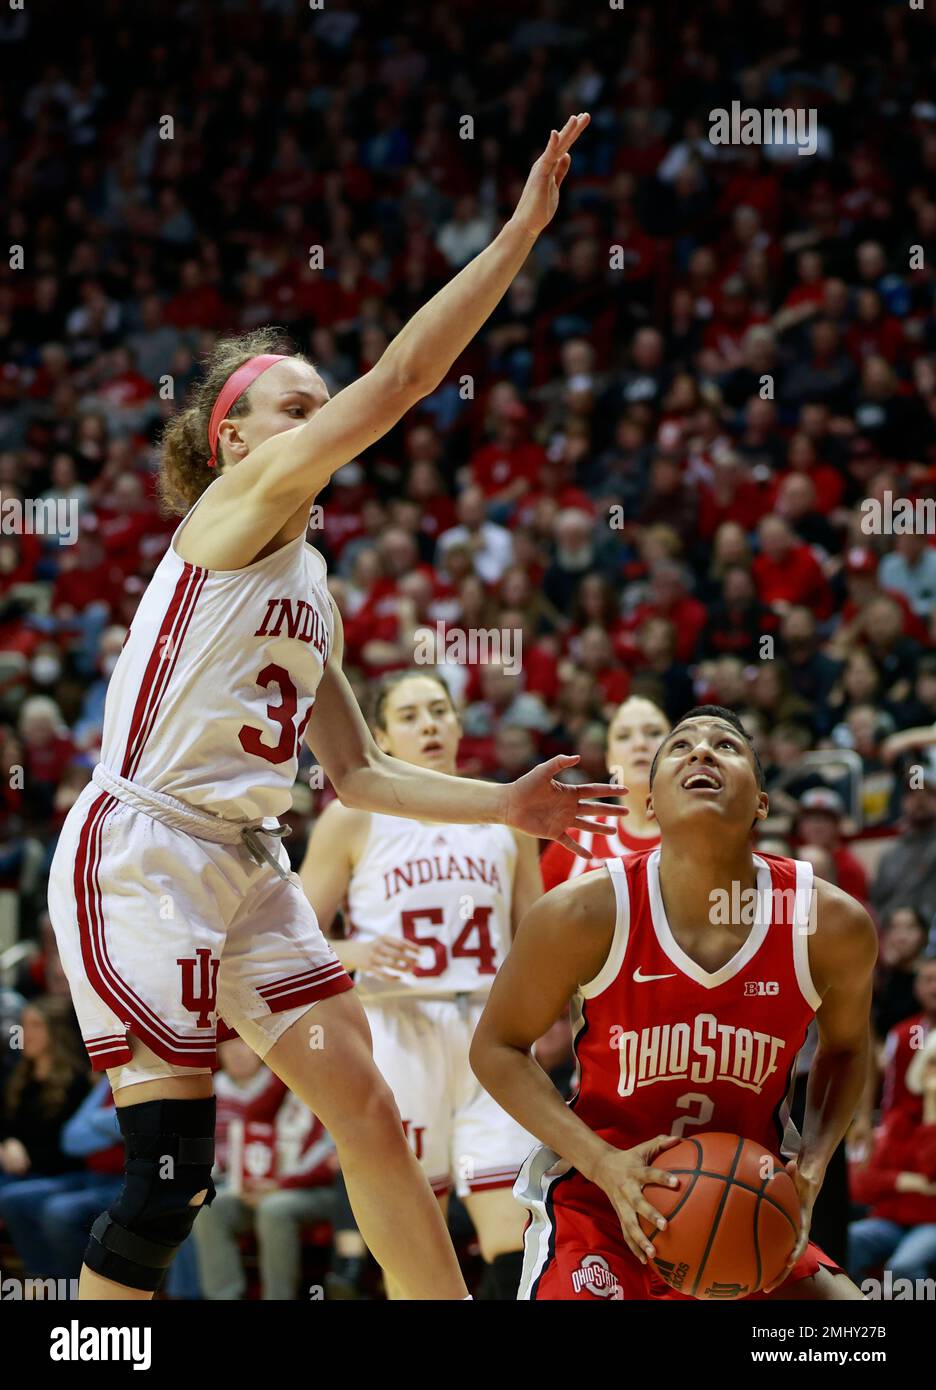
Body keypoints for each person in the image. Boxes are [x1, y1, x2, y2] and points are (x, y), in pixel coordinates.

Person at [45, 114, 622, 1303]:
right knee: (167, 1184)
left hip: (246, 866)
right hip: (141, 853)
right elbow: (407, 377)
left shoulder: (312, 594)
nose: (321, 416)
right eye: (296, 404)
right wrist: (520, 232)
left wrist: (505, 802)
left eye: (320, 402)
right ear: (233, 440)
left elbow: (355, 776)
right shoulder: (235, 512)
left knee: (367, 1111)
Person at [471, 705, 878, 1300]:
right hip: (603, 1207)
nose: (702, 751)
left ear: (762, 802)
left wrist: (812, 1163)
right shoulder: (584, 912)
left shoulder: (827, 923)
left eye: (727, 746)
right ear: (652, 802)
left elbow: (845, 1049)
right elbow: (497, 1048)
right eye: (681, 745)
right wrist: (603, 1163)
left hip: (746, 1206)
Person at [299, 670, 542, 1300]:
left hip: (491, 1036)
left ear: (461, 724)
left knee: (517, 1241)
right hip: (397, 1030)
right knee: (416, 1251)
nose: (429, 724)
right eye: (409, 716)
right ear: (376, 734)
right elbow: (291, 936)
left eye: (439, 710)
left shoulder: (506, 813)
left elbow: (533, 938)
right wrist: (358, 949)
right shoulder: (349, 820)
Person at [540, 695, 668, 891]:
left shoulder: (702, 837)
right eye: (624, 736)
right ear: (609, 759)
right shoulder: (575, 841)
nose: (640, 743)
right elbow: (532, 919)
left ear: (675, 749)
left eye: (654, 732)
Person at [848, 1031, 936, 1290]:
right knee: (845, 1241)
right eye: (931, 1062)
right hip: (890, 1220)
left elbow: (931, 1169)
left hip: (931, 1223)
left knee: (903, 1266)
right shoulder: (899, 1120)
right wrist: (905, 1181)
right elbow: (861, 1183)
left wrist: (932, 1115)